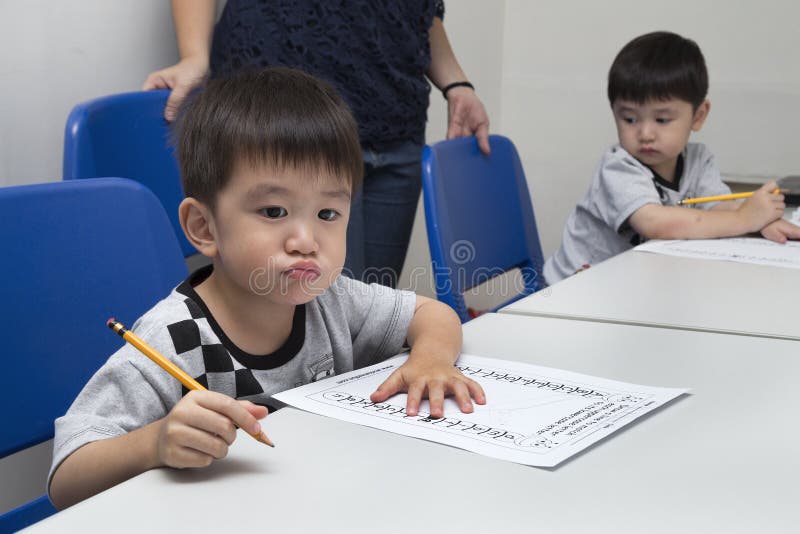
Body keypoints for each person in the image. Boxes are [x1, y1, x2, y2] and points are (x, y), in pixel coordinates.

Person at [48, 68, 485, 509]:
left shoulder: (329, 300)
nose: (306, 241)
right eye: (274, 211)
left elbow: (432, 314)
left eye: (328, 214)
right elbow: (66, 476)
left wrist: (431, 359)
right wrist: (152, 444)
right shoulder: (170, 338)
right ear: (204, 227)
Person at [143, 0, 491, 288]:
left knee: (365, 312)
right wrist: (194, 54)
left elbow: (417, 10)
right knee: (309, 302)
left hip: (396, 115)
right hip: (288, 117)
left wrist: (457, 84)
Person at [543, 31, 800, 285]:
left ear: (698, 116)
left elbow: (717, 207)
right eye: (629, 119)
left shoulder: (699, 160)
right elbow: (655, 222)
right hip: (573, 288)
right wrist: (744, 219)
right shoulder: (619, 166)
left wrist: (759, 221)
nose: (645, 133)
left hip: (629, 285)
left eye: (662, 120)